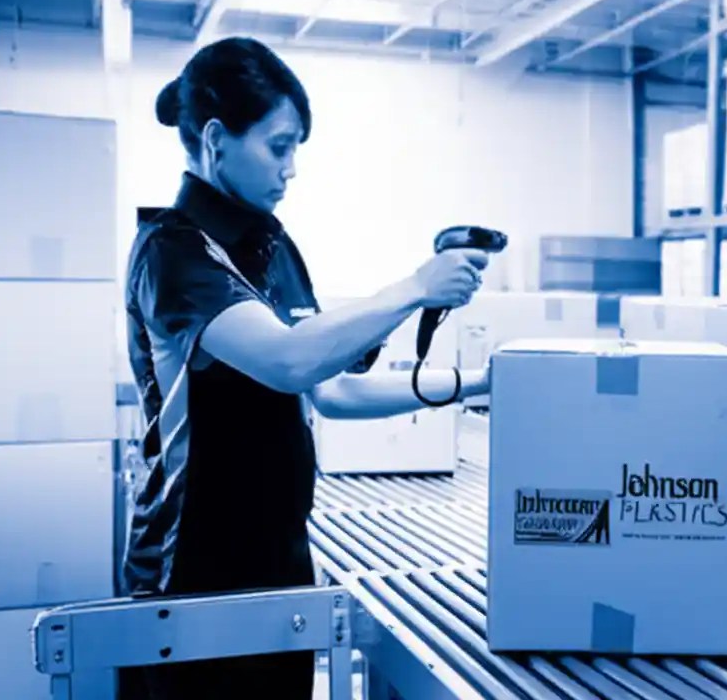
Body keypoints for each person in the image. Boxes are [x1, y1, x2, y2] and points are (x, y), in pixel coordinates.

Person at [119, 36, 490, 699]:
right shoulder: (172, 254)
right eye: (279, 146)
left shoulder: (272, 245)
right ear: (215, 139)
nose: (292, 168)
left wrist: (477, 384)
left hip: (278, 559)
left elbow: (333, 388)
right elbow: (289, 360)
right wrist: (414, 287)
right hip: (192, 575)